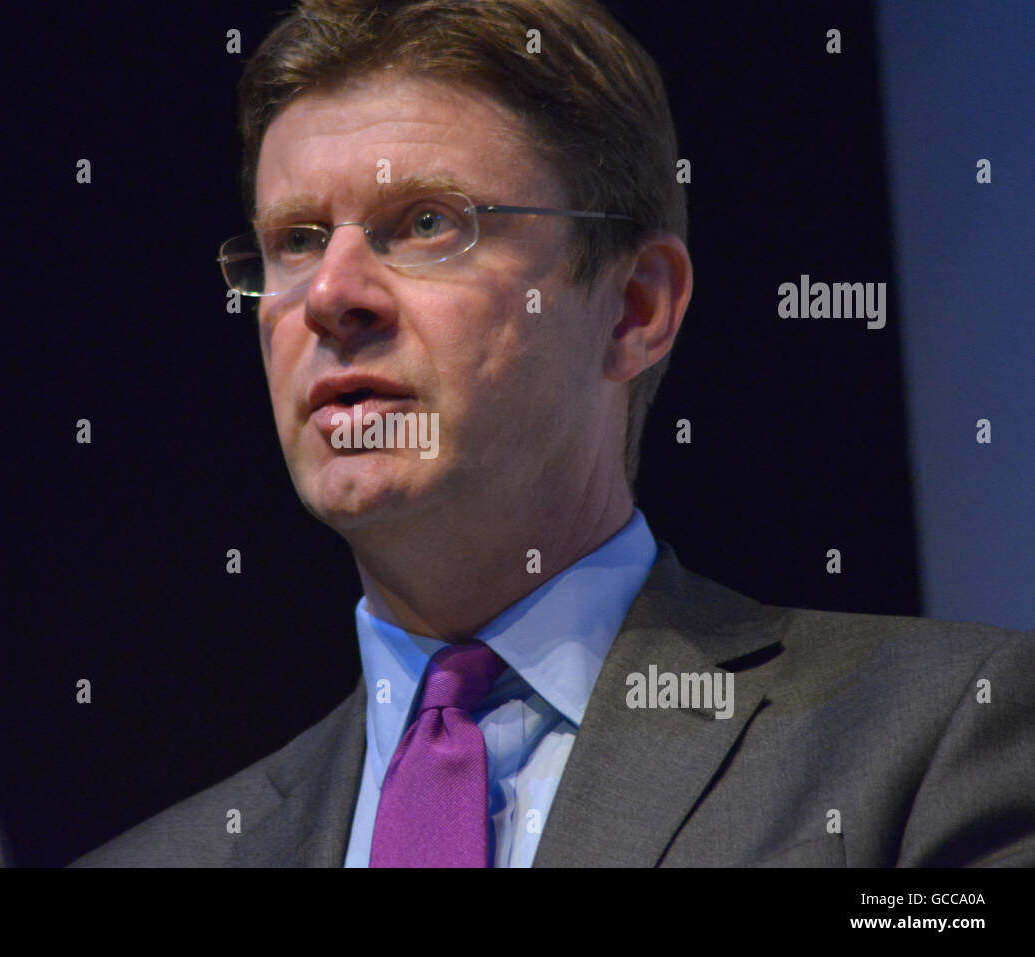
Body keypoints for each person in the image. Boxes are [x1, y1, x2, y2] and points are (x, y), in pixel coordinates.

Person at [73, 0, 1034, 867]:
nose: (329, 295)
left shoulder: (937, 739)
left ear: (633, 309)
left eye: (426, 223)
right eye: (295, 240)